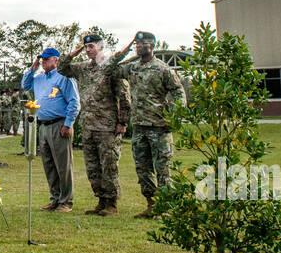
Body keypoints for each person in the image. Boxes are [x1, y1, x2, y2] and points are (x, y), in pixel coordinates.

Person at [112, 32, 186, 218]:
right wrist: (124, 50)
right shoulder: (133, 68)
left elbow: (179, 93)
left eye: (143, 43)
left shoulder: (163, 69)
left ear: (152, 45)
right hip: (140, 128)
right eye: (137, 43)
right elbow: (109, 70)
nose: (139, 46)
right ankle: (152, 205)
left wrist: (174, 115)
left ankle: (166, 209)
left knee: (163, 171)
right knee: (143, 170)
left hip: (160, 127)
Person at [60, 34, 131, 216]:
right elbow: (62, 68)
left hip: (107, 126)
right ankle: (100, 200)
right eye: (86, 47)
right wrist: (74, 52)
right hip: (89, 126)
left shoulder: (110, 68)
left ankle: (111, 203)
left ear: (100, 47)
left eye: (91, 46)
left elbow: (124, 95)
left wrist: (122, 122)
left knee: (109, 165)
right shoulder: (83, 68)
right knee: (92, 167)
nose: (88, 49)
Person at [21, 48, 80, 212]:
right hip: (43, 124)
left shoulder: (64, 78)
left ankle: (66, 201)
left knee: (63, 165)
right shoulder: (39, 78)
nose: (43, 62)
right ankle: (55, 198)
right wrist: (32, 68)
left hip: (59, 124)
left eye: (46, 59)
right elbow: (25, 85)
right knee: (49, 164)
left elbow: (74, 102)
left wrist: (68, 124)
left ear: (56, 60)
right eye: (41, 59)